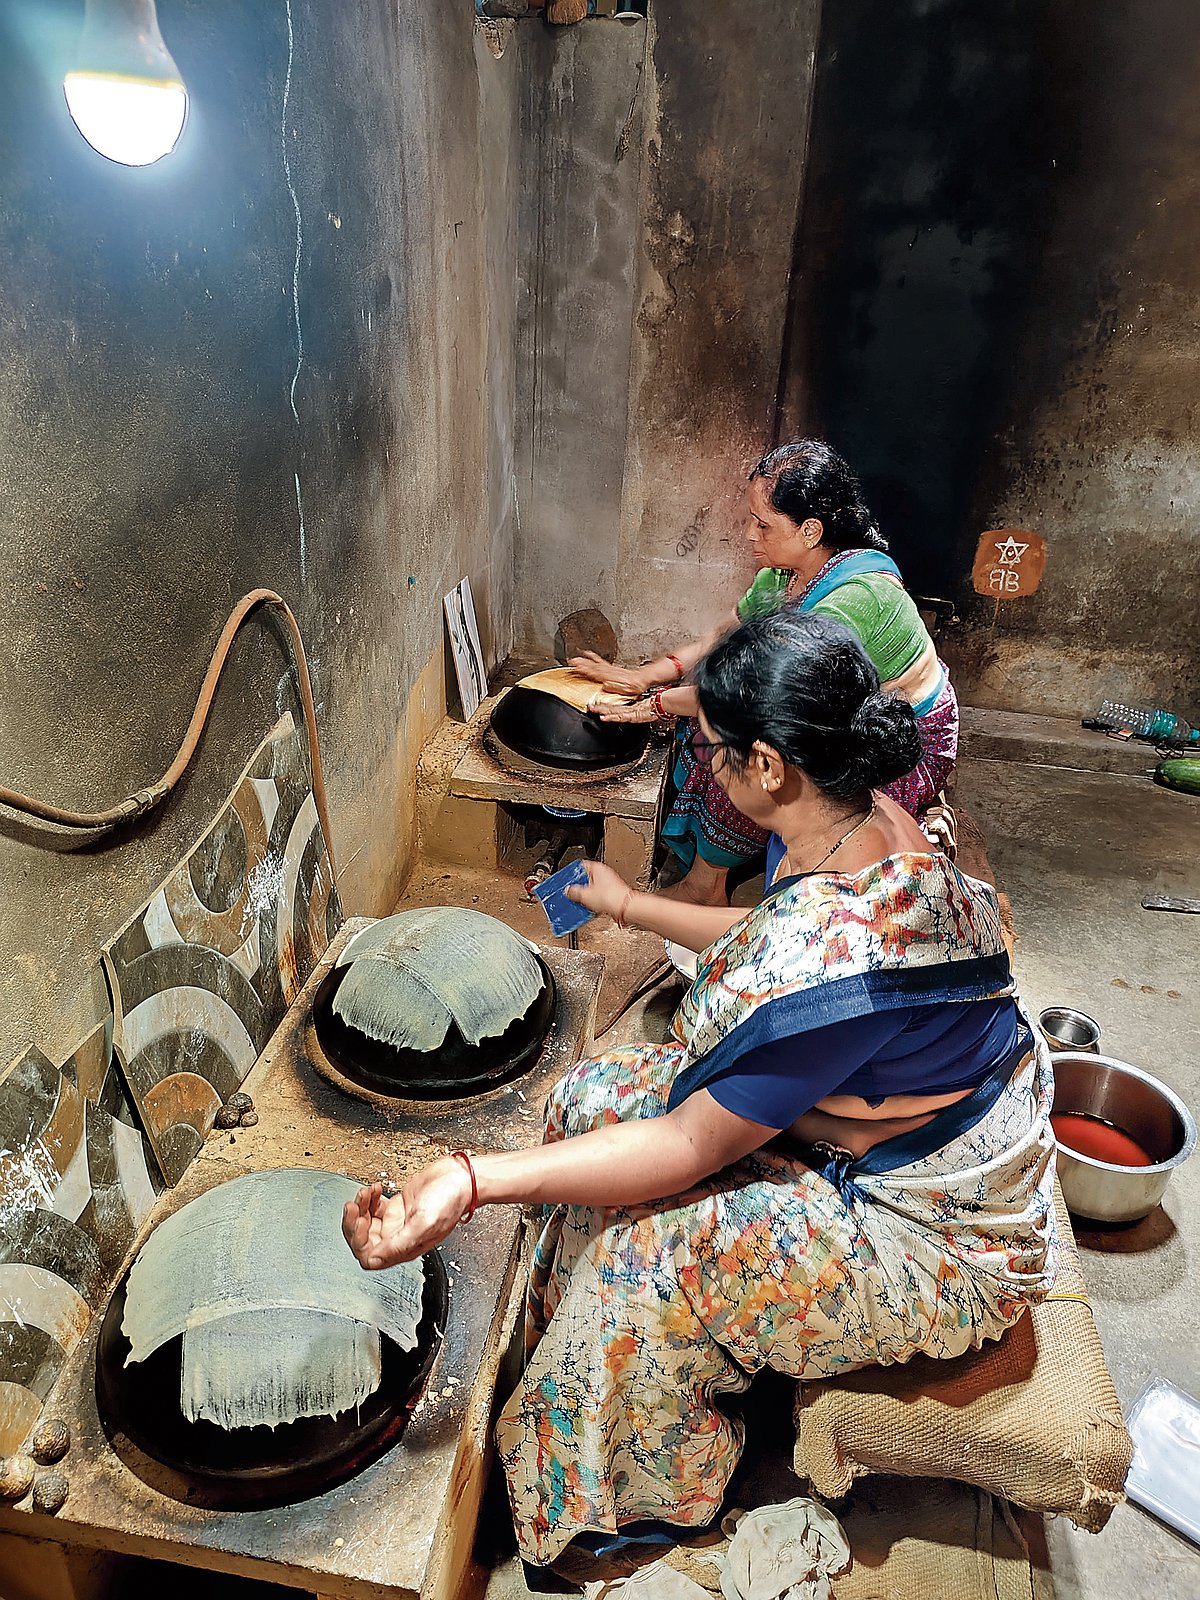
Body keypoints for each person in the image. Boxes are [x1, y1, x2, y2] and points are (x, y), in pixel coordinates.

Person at [342, 610, 1054, 1572]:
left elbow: (688, 1142)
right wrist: (627, 902)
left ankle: (638, 1495)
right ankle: (575, 1355)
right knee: (591, 1095)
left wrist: (467, 1180)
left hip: (938, 1226)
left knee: (646, 1262)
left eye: (711, 749)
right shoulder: (854, 818)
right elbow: (772, 942)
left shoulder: (846, 958)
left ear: (768, 765)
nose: (701, 763)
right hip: (869, 1123)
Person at [571, 439, 958, 906]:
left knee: (749, 753)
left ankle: (730, 887)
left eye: (763, 524)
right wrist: (647, 674)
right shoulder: (785, 573)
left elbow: (757, 696)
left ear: (810, 530)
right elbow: (725, 636)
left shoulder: (857, 600)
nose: (750, 536)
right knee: (711, 735)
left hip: (897, 732)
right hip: (813, 706)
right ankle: (707, 876)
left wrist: (651, 708)